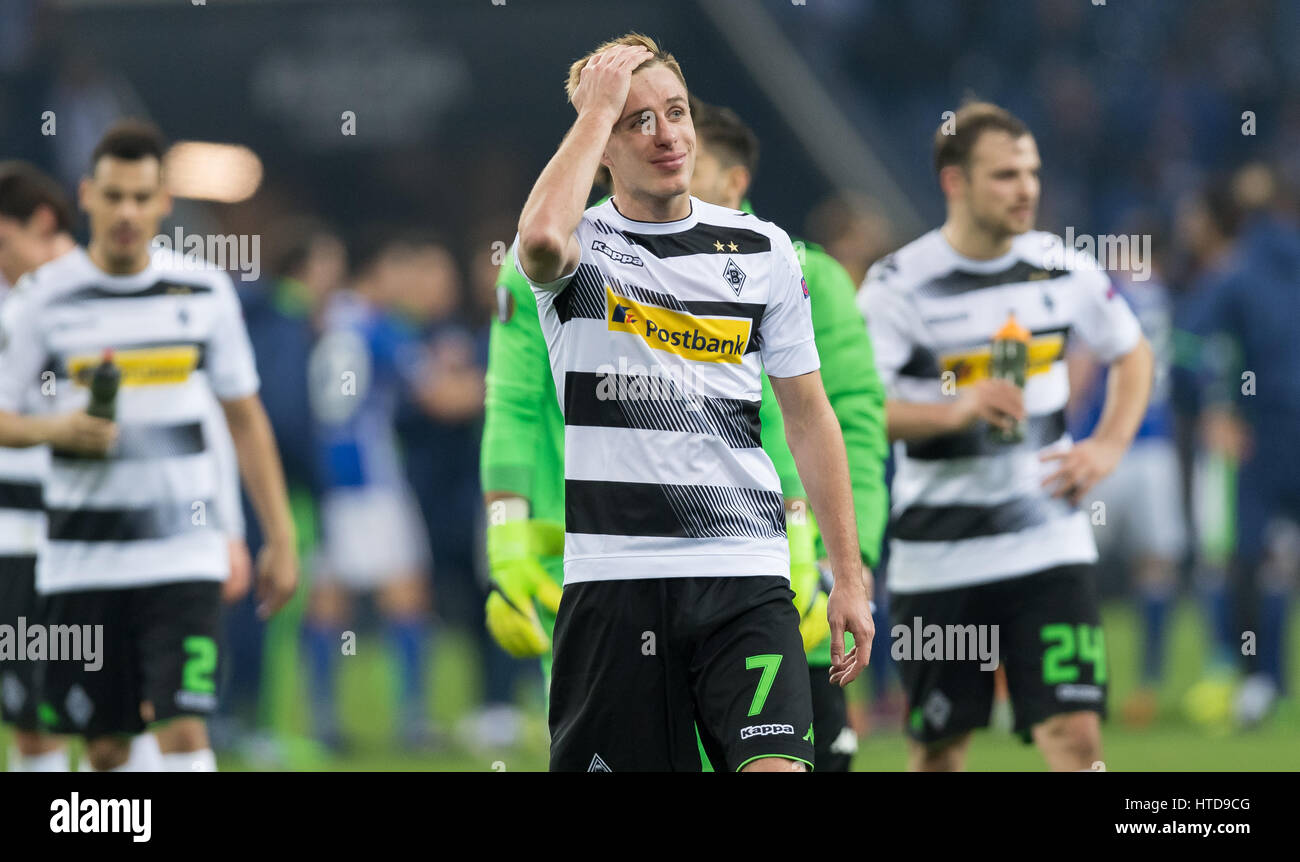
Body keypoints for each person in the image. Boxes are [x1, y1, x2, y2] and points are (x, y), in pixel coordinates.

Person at [514, 33, 873, 772]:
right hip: (615, 585)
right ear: (601, 144)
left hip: (744, 571)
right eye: (635, 120)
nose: (666, 134)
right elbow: (541, 235)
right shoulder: (579, 250)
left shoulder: (762, 249)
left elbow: (809, 416)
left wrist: (849, 575)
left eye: (674, 111)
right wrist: (595, 108)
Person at [859, 101, 1152, 771]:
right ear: (954, 182)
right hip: (937, 554)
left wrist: (1107, 446)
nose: (1026, 189)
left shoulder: (1063, 268)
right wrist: (952, 413)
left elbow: (1132, 354)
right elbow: (858, 411)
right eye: (1005, 175)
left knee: (1075, 738)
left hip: (1049, 543)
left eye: (1031, 172)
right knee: (938, 750)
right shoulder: (898, 287)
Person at [0, 121, 298, 771]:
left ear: (165, 201)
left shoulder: (205, 291)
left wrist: (276, 533)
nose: (127, 212)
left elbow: (245, 420)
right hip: (80, 557)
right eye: (113, 196)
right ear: (87, 197)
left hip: (179, 555)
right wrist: (55, 430)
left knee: (184, 731)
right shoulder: (43, 302)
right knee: (106, 749)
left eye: (141, 197)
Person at [687, 99, 890, 771]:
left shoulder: (806, 273)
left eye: (693, 162)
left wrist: (847, 558)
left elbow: (849, 418)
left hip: (795, 574)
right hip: (681, 572)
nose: (673, 172)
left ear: (733, 182)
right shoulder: (634, 277)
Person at [302, 235, 437, 752]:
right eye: (402, 270)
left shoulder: (328, 319)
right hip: (371, 480)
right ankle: (413, 721)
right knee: (406, 594)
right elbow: (436, 395)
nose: (410, 284)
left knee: (329, 599)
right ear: (378, 272)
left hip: (329, 479)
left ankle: (323, 722)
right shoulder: (381, 328)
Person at [0, 161, 76, 771]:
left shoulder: (100, 294)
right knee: (30, 714)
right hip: (18, 533)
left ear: (43, 223)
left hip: (83, 536)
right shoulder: (16, 304)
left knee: (116, 718)